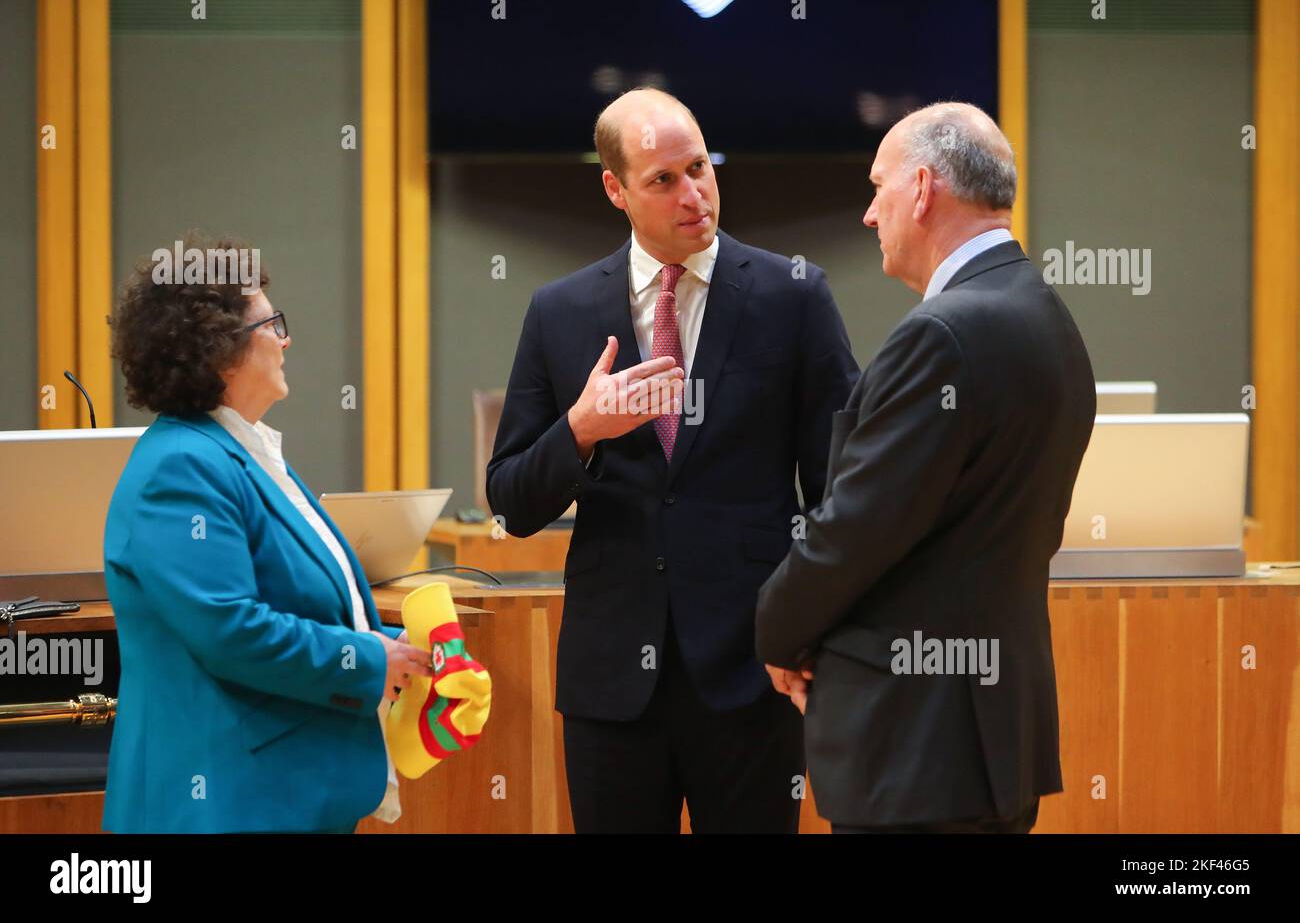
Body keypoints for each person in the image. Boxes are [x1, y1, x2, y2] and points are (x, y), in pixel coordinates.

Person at [487, 88, 858, 833]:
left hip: (755, 671)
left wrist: (815, 632)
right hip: (611, 681)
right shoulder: (557, 311)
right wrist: (581, 429)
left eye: (700, 168)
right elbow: (510, 501)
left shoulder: (793, 296)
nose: (694, 194)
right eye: (663, 180)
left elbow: (841, 491)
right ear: (614, 189)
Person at [756, 103, 1096, 833]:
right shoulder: (1050, 318)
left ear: (920, 188)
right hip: (990, 736)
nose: (869, 215)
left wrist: (774, 631)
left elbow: (856, 530)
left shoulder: (944, 333)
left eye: (878, 189)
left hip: (917, 745)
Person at [102, 237, 432, 833]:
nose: (286, 339)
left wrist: (405, 647)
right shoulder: (182, 466)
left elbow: (296, 607)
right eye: (272, 323)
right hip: (219, 802)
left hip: (275, 794)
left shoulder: (238, 451)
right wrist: (367, 659)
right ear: (218, 347)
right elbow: (229, 629)